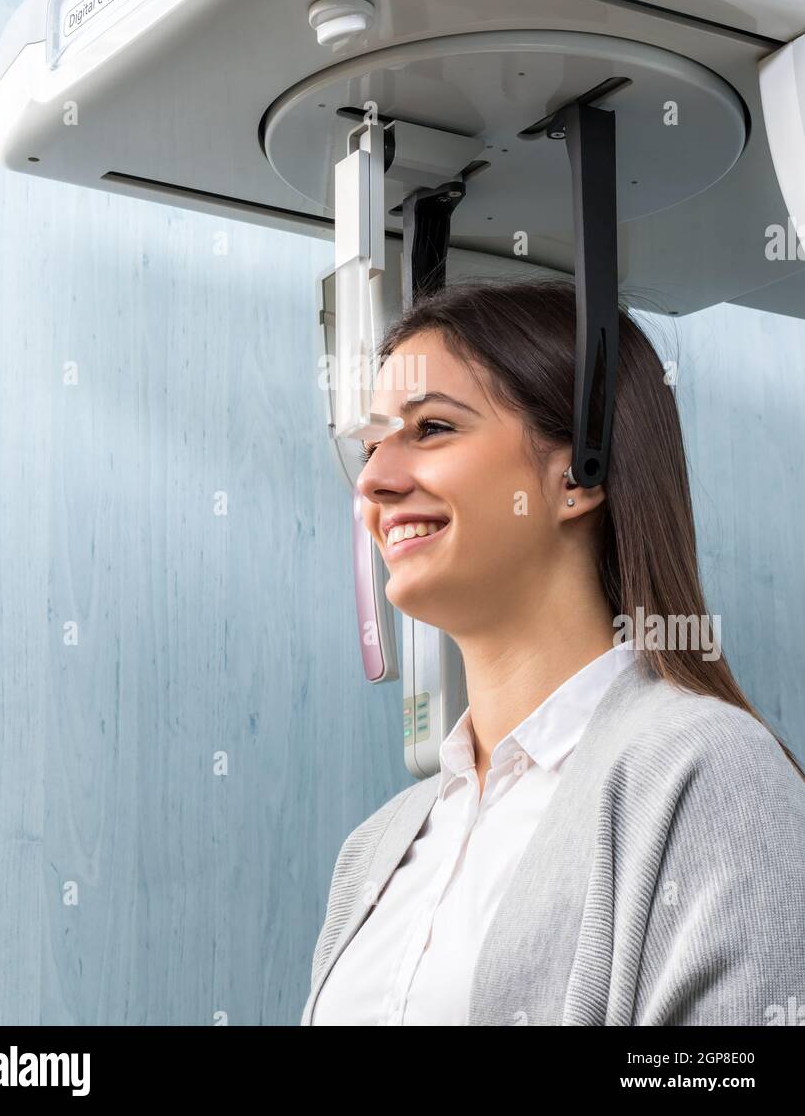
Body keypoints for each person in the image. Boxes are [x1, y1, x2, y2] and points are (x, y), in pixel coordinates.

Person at [301, 276, 805, 1027]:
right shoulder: (375, 850)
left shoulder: (709, 773)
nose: (374, 479)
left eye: (432, 428)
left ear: (578, 474)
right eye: (373, 444)